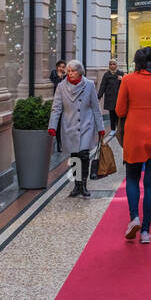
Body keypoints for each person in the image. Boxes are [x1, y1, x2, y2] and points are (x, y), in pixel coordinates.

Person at [115, 46, 151, 243]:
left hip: (135, 136)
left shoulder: (129, 79)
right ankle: (146, 231)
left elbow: (120, 110)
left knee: (132, 178)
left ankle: (134, 218)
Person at [49, 60, 105, 198]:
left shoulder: (90, 85)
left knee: (84, 155)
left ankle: (83, 185)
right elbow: (56, 108)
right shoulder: (61, 87)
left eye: (73, 71)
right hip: (69, 125)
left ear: (80, 72)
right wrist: (52, 126)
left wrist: (101, 127)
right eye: (68, 71)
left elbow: (95, 107)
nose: (70, 73)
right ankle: (77, 185)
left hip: (86, 124)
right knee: (74, 156)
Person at [98, 59, 123, 133]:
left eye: (114, 64)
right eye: (111, 64)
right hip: (110, 97)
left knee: (118, 114)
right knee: (111, 114)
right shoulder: (106, 75)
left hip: (118, 97)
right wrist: (99, 96)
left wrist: (122, 79)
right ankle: (112, 129)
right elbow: (103, 85)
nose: (112, 66)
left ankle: (119, 129)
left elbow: (126, 84)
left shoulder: (120, 73)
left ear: (116, 65)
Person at [49, 60, 67, 151]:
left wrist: (63, 77)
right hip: (55, 101)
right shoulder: (53, 74)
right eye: (60, 66)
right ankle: (56, 143)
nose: (61, 68)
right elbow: (55, 86)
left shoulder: (66, 76)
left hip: (64, 102)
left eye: (63, 67)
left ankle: (59, 143)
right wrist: (60, 78)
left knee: (61, 124)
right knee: (56, 122)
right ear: (57, 67)